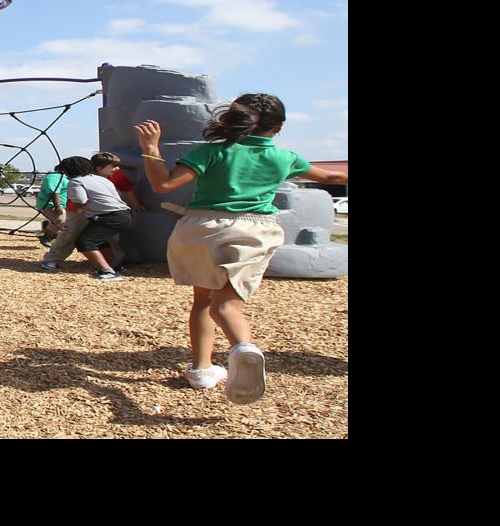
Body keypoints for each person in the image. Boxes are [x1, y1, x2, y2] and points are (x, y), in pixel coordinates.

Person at [136, 93, 347, 403]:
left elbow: (163, 186)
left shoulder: (211, 152)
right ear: (278, 127)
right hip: (253, 230)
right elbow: (332, 176)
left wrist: (151, 149)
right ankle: (243, 349)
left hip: (200, 229)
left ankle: (202, 369)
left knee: (203, 300)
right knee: (226, 304)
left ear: (232, 122)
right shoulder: (285, 157)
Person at [45, 155, 130, 281]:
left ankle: (107, 271)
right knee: (100, 240)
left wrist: (79, 207)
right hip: (123, 214)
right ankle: (114, 266)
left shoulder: (76, 182)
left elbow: (80, 199)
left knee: (85, 242)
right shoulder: (102, 179)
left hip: (107, 216)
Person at [34, 164, 70, 244]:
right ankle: (43, 235)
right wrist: (58, 206)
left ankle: (47, 229)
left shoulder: (66, 178)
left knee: (66, 223)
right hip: (50, 205)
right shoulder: (54, 176)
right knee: (61, 221)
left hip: (63, 205)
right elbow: (54, 191)